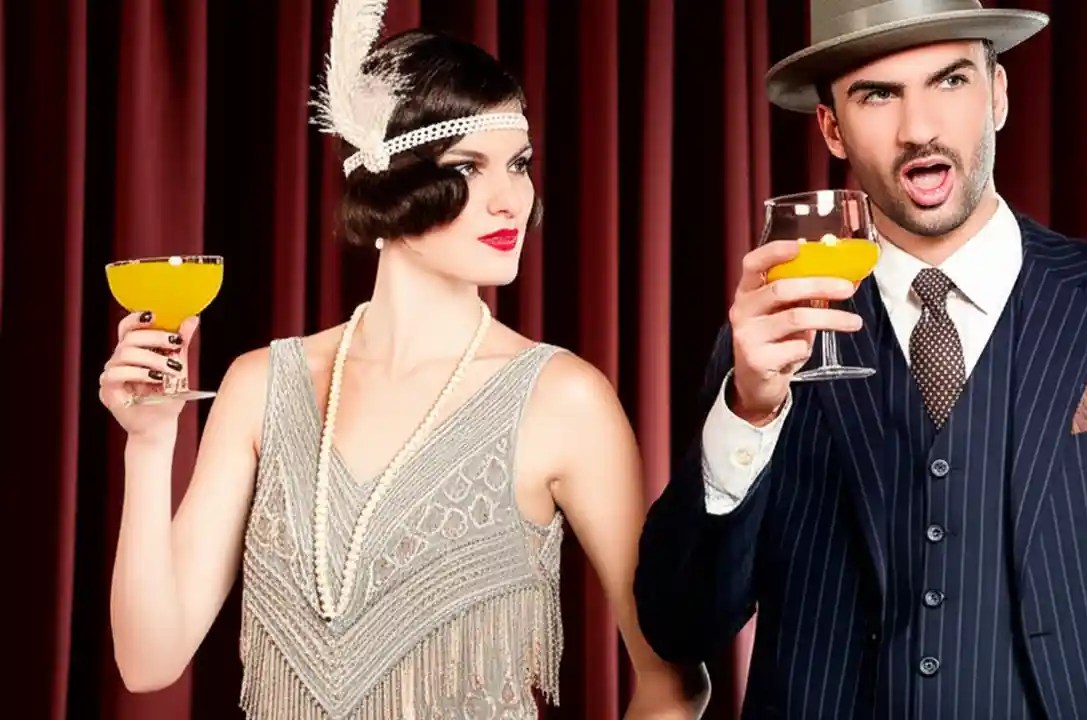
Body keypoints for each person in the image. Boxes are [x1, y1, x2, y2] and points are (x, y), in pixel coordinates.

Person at [634, 0, 1087, 718]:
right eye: (878, 94)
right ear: (831, 128)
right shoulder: (778, 337)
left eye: (949, 81)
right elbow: (678, 625)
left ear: (998, 95)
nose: (919, 129)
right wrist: (747, 412)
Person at [100, 7, 706, 719]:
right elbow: (147, 661)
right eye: (469, 168)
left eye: (518, 165)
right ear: (389, 183)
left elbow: (671, 684)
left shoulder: (562, 399)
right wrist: (149, 444)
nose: (511, 198)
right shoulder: (260, 384)